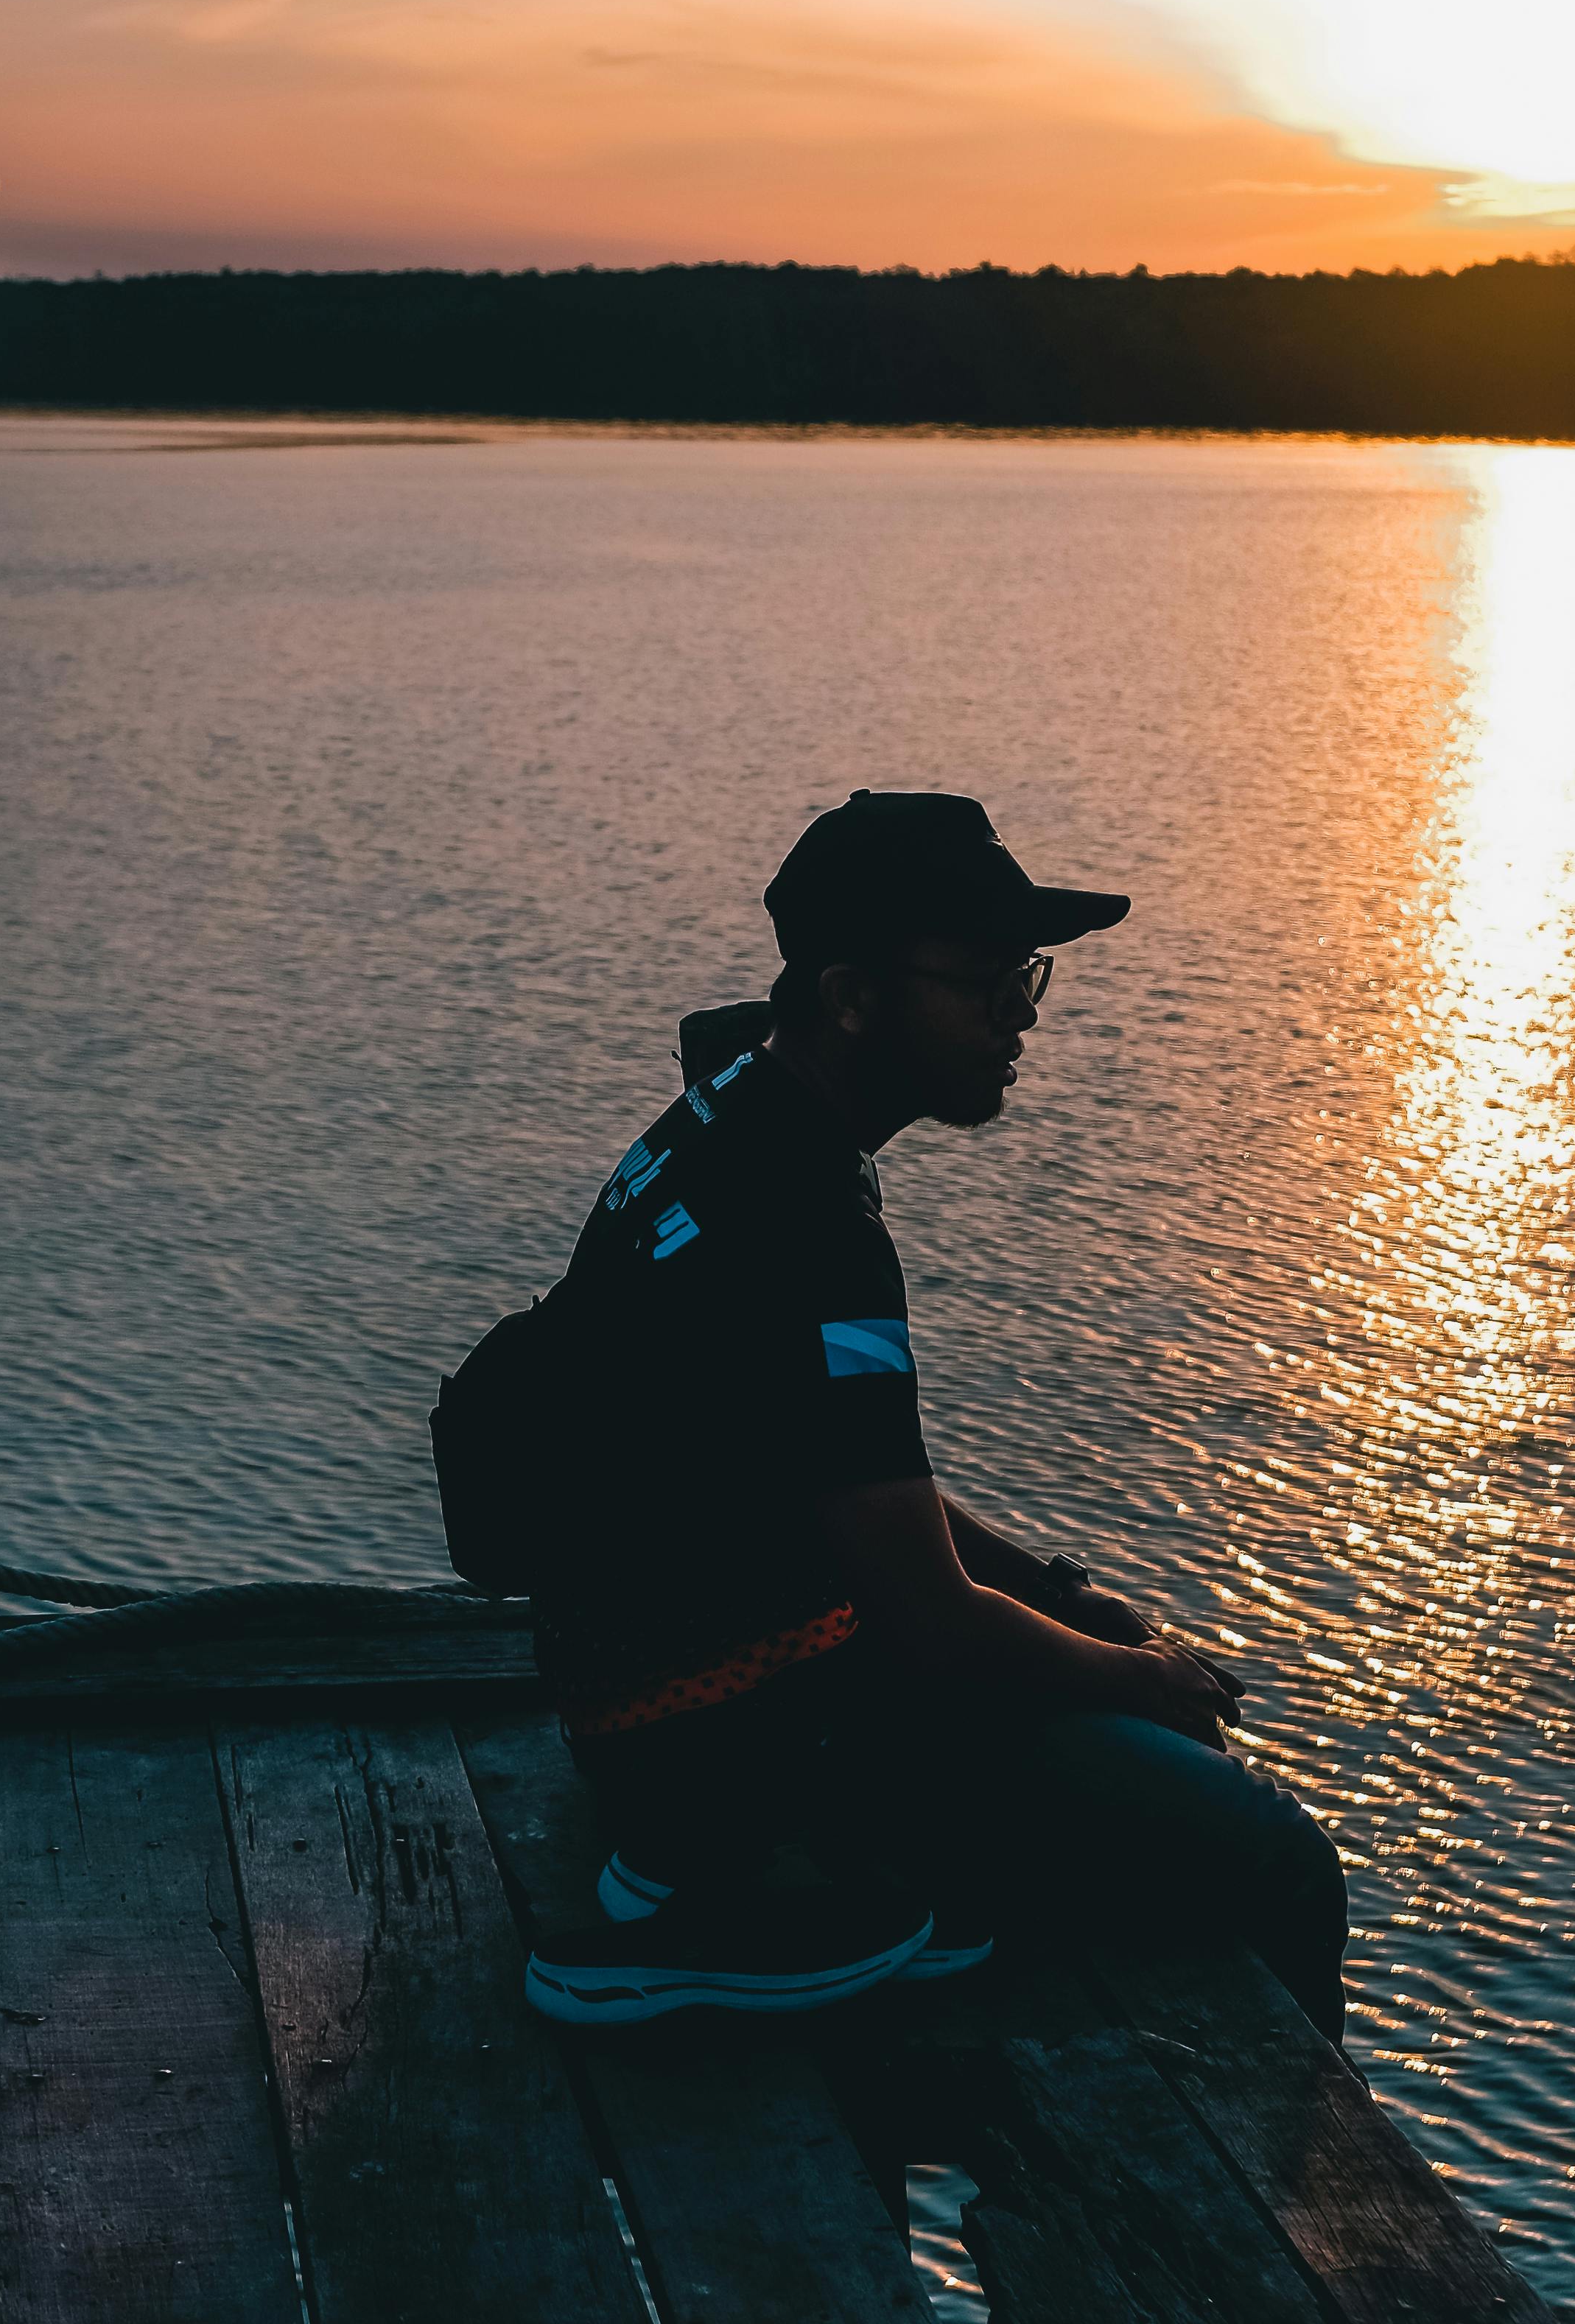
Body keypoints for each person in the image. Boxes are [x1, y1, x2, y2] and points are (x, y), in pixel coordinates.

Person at [515, 790, 1349, 2035]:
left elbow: (847, 1478)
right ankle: (1307, 2221)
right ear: (853, 996)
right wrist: (1135, 1674)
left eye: (1028, 972)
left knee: (1104, 1744)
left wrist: (1061, 1592)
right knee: (1282, 1859)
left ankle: (738, 1858)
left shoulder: (730, 1119)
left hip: (647, 1699)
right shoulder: (805, 1226)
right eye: (981, 978)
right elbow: (934, 1629)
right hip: (747, 1733)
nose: (1020, 1011)